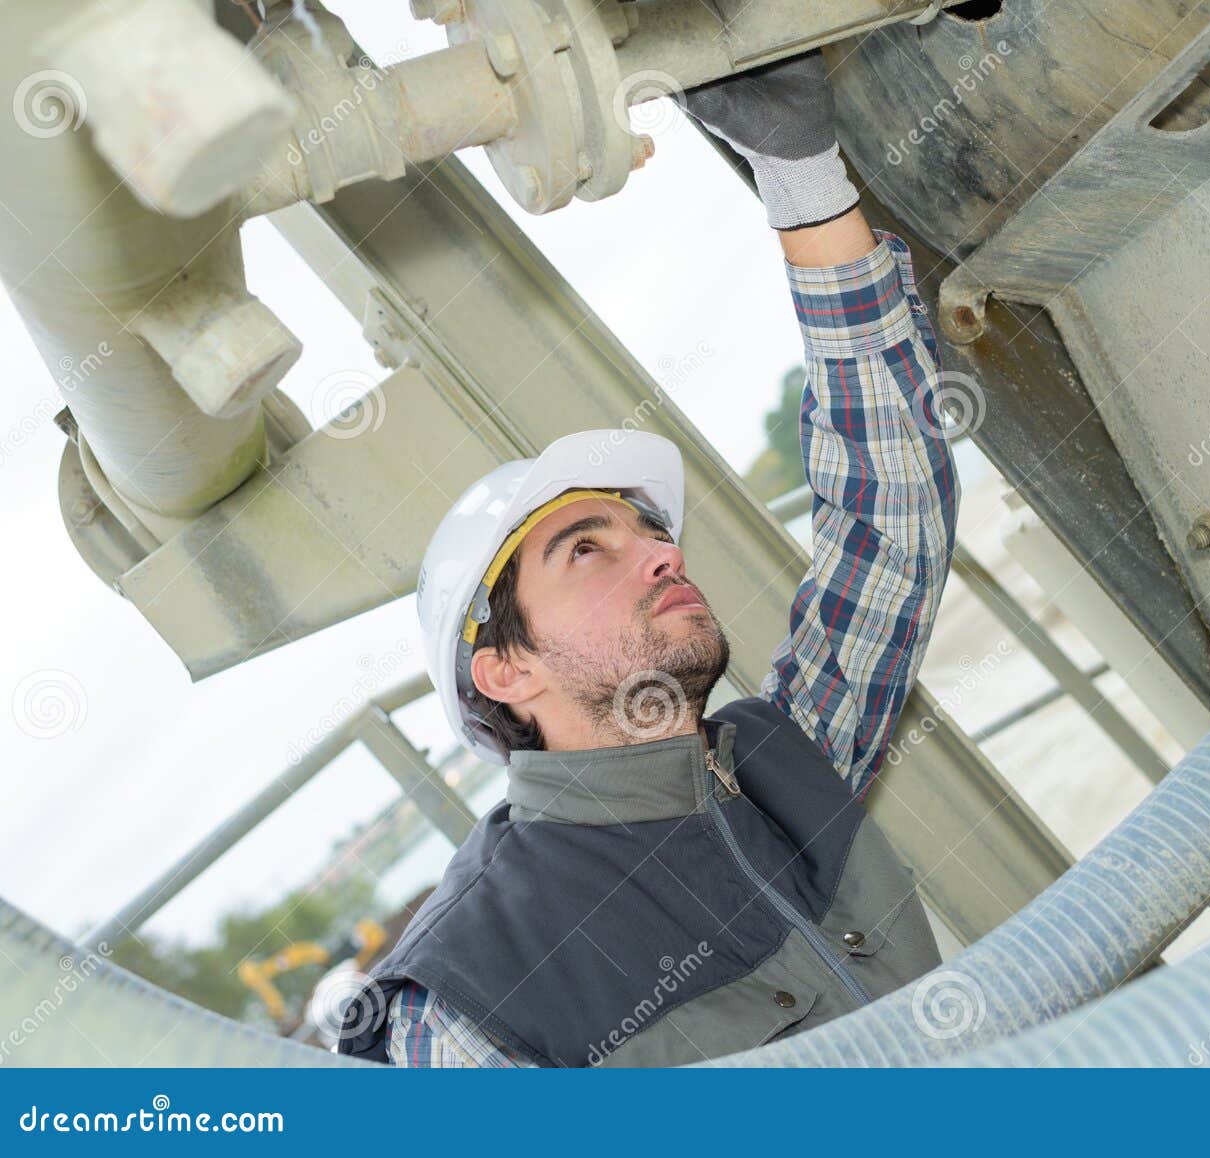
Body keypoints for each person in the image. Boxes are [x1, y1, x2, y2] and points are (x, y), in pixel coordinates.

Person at [337, 53, 961, 1068]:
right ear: (507, 669)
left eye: (649, 532)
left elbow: (891, 516)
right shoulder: (466, 1003)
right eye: (587, 550)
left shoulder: (775, 765)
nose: (659, 553)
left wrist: (800, 171)